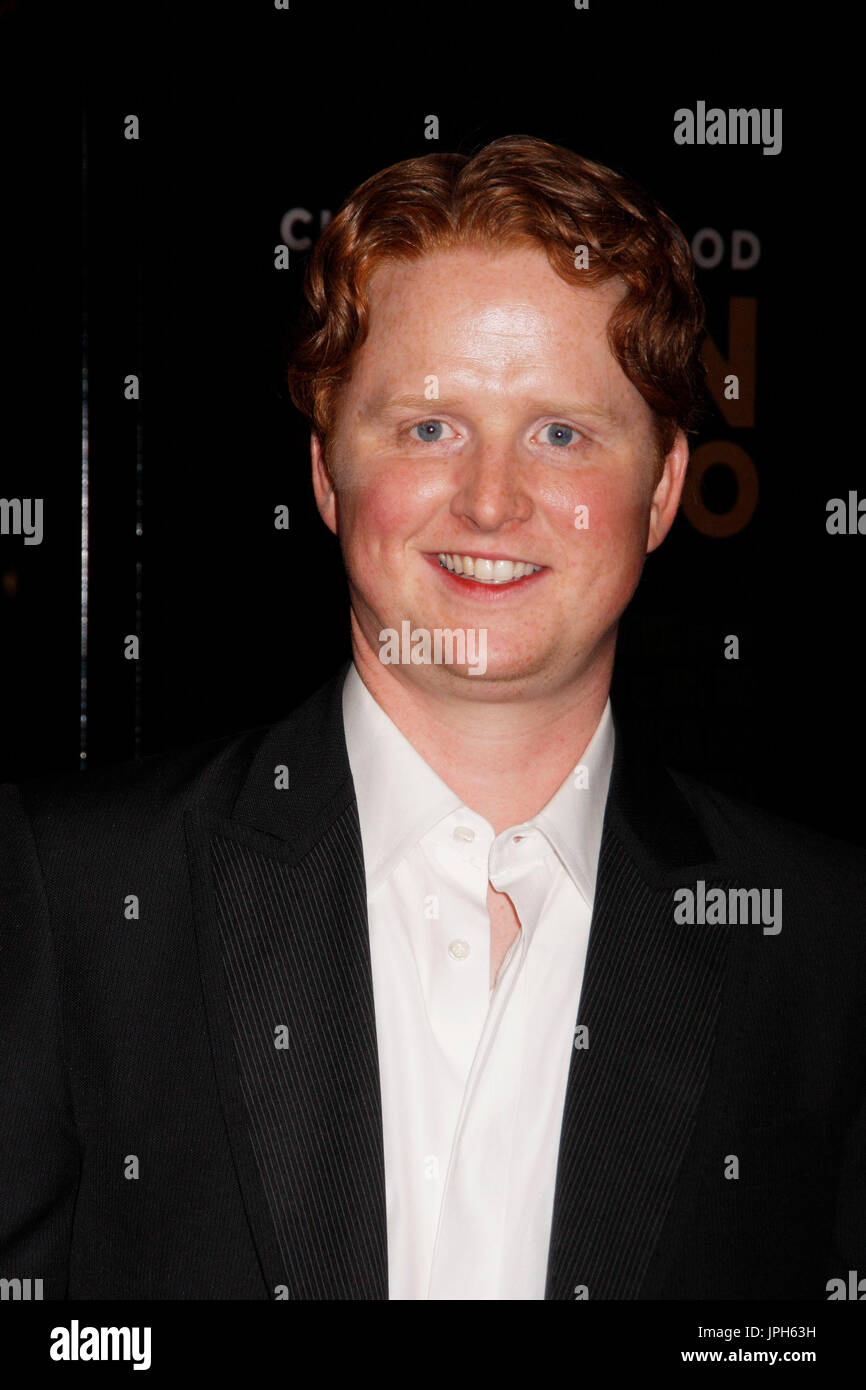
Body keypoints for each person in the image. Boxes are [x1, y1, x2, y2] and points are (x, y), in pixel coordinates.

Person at [1, 136, 863, 1301]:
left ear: (660, 488)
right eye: (425, 427)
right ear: (323, 474)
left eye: (560, 432)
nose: (490, 499)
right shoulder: (72, 892)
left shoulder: (822, 942)